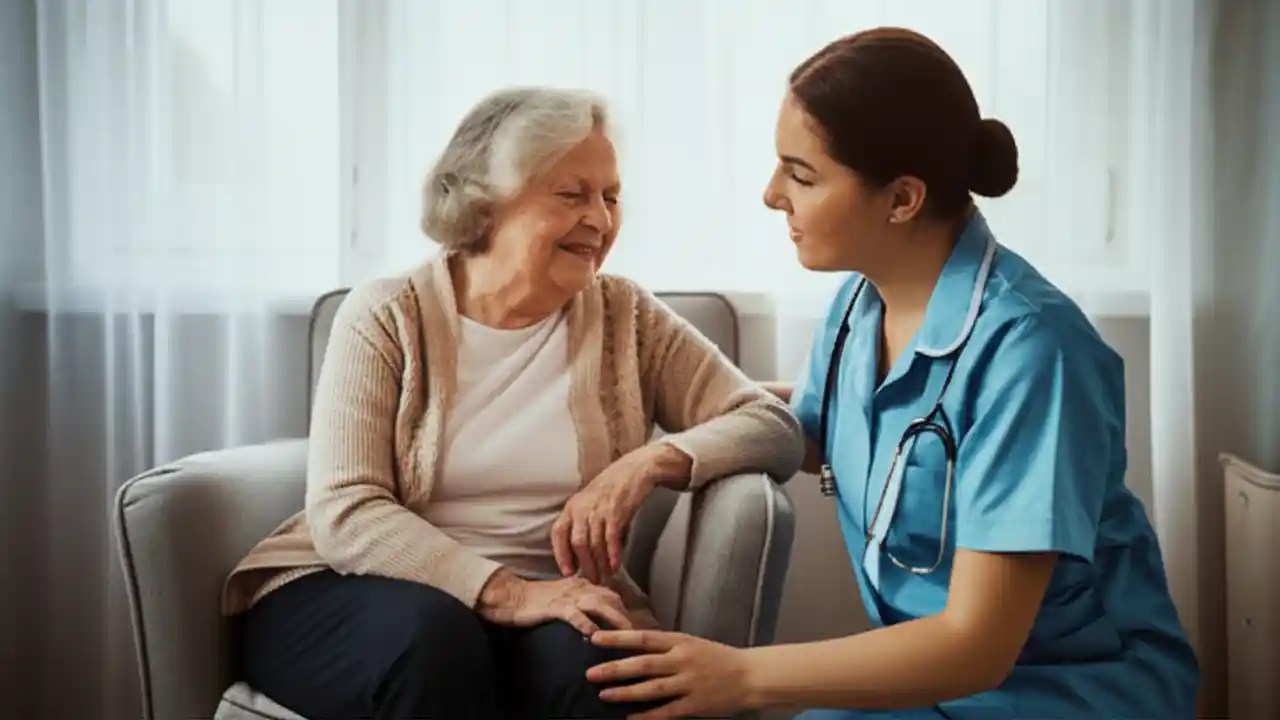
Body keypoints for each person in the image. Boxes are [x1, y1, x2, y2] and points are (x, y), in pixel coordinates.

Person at [586, 28, 1199, 719]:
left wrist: (743, 675)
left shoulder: (1035, 354)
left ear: (902, 199)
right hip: (943, 687)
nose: (770, 194)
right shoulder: (860, 302)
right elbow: (811, 425)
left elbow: (977, 646)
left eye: (801, 173)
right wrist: (663, 451)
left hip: (1069, 691)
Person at [220, 87, 804, 719]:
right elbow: (347, 513)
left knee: (606, 680)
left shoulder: (624, 316)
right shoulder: (387, 314)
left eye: (610, 197)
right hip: (356, 590)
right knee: (434, 642)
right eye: (572, 194)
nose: (602, 220)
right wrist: (506, 592)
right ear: (486, 201)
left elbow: (771, 425)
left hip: (550, 601)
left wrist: (645, 464)